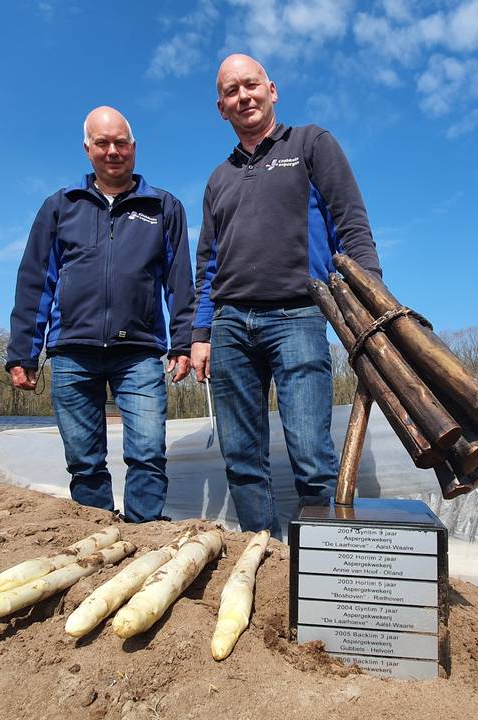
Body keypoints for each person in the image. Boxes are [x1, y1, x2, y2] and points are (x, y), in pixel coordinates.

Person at [190, 54, 382, 536]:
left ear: (271, 90)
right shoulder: (218, 179)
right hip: (231, 324)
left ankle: (326, 565)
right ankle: (266, 554)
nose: (243, 96)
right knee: (241, 458)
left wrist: (374, 302)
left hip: (298, 315)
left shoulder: (311, 143)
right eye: (231, 91)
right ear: (221, 108)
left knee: (311, 455)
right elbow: (207, 264)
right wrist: (200, 332)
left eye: (250, 85)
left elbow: (352, 225)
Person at [6, 106, 194, 523]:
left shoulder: (163, 207)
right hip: (73, 351)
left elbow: (180, 281)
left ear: (134, 147)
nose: (113, 151)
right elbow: (36, 280)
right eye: (103, 143)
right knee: (84, 459)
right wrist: (24, 351)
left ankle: (144, 533)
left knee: (147, 452)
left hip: (140, 352)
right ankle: (95, 538)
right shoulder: (61, 206)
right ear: (87, 149)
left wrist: (183, 342)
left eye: (121, 143)